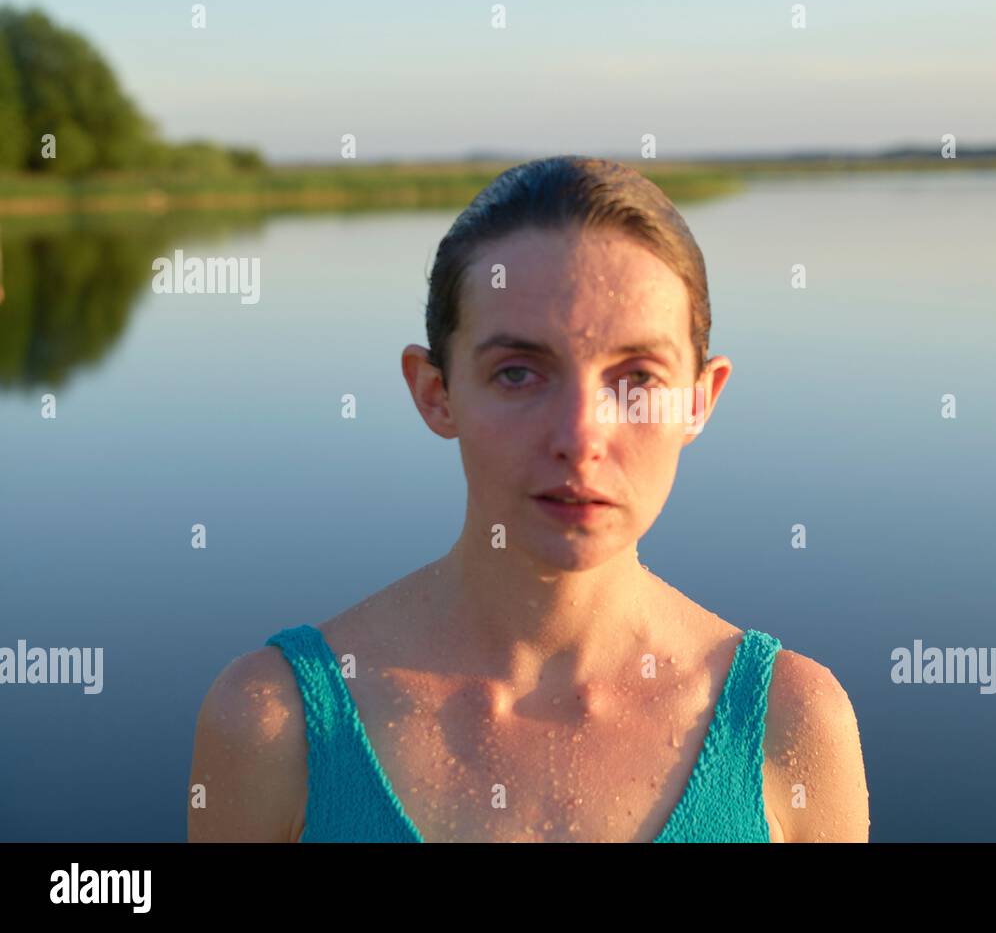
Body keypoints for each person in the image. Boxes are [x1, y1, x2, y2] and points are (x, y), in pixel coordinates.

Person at [187, 156, 870, 842]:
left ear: (700, 400)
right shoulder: (275, 722)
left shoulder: (789, 722)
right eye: (517, 373)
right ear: (435, 392)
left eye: (636, 377)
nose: (580, 436)